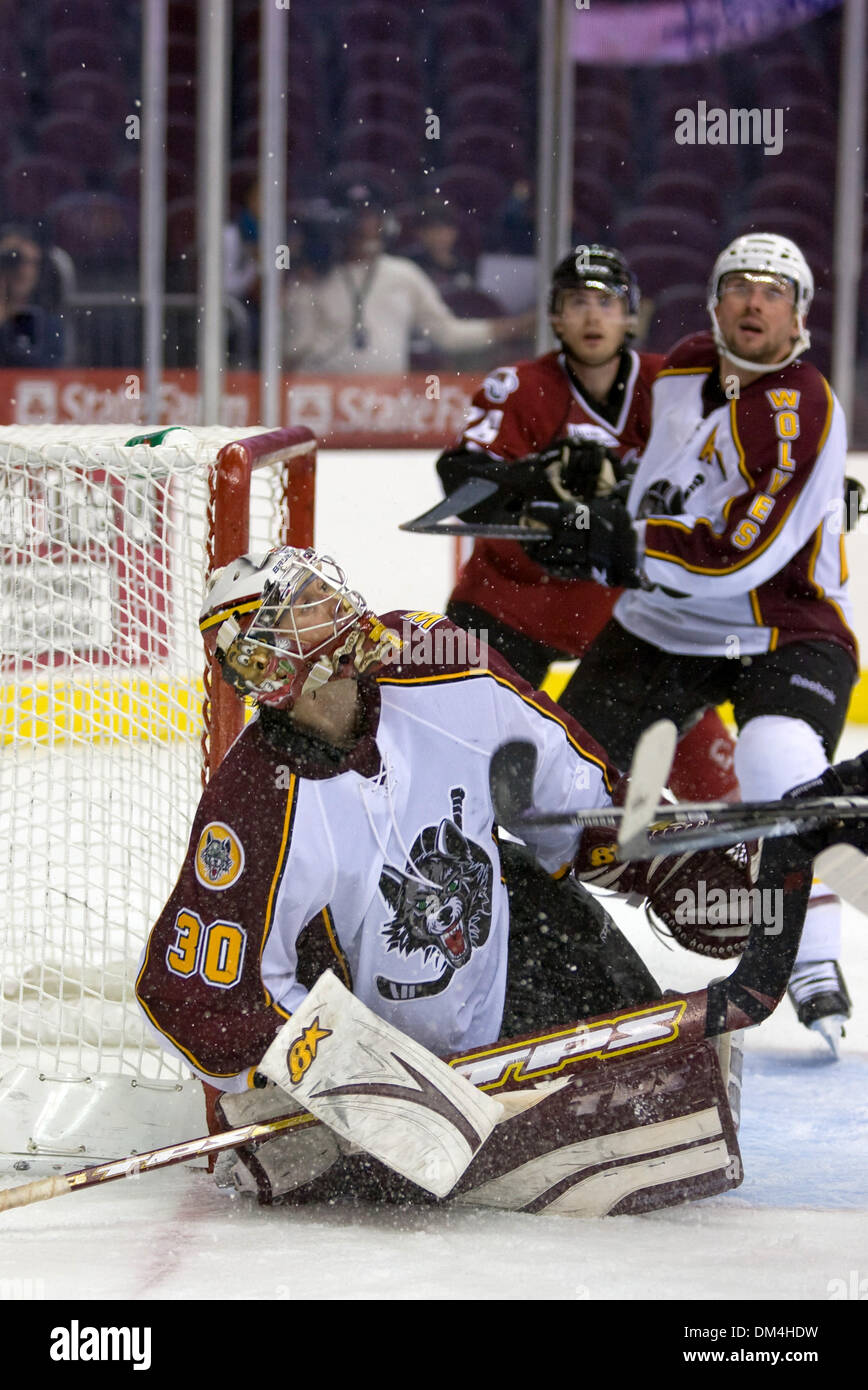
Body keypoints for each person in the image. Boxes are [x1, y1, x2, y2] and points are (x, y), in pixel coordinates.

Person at [135, 545, 757, 1211]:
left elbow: (564, 794)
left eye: (324, 591)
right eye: (306, 609)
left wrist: (652, 856)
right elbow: (197, 996)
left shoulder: (441, 662)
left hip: (497, 988)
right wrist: (317, 1087)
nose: (336, 607)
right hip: (385, 1069)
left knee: (673, 1078)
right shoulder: (253, 804)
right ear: (269, 665)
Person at [551, 233, 858, 1049]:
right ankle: (566, 931)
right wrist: (588, 486)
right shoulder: (683, 364)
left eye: (775, 292)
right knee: (558, 780)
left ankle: (811, 956)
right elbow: (647, 460)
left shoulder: (804, 406)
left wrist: (632, 543)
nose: (755, 303)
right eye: (739, 287)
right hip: (662, 626)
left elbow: (743, 556)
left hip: (782, 626)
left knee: (780, 768)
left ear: (800, 314)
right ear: (715, 303)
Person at [436, 243, 740, 806]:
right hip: (512, 602)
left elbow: (727, 468)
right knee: (456, 757)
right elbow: (460, 480)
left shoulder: (673, 384)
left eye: (607, 301)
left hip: (623, 608)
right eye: (576, 302)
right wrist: (542, 473)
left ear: (632, 315)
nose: (592, 316)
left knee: (686, 731)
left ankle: (736, 840)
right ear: (554, 315)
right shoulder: (518, 386)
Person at [283, 186, 534, 373]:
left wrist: (515, 326)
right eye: (357, 219)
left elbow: (448, 334)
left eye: (372, 218)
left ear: (386, 224)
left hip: (386, 408)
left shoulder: (404, 274)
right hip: (319, 400)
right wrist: (300, 282)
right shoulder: (314, 277)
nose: (365, 226)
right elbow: (295, 348)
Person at [0, 228, 64, 367]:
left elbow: (46, 369)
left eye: (31, 262)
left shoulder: (45, 322)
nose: (23, 270)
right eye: (13, 260)